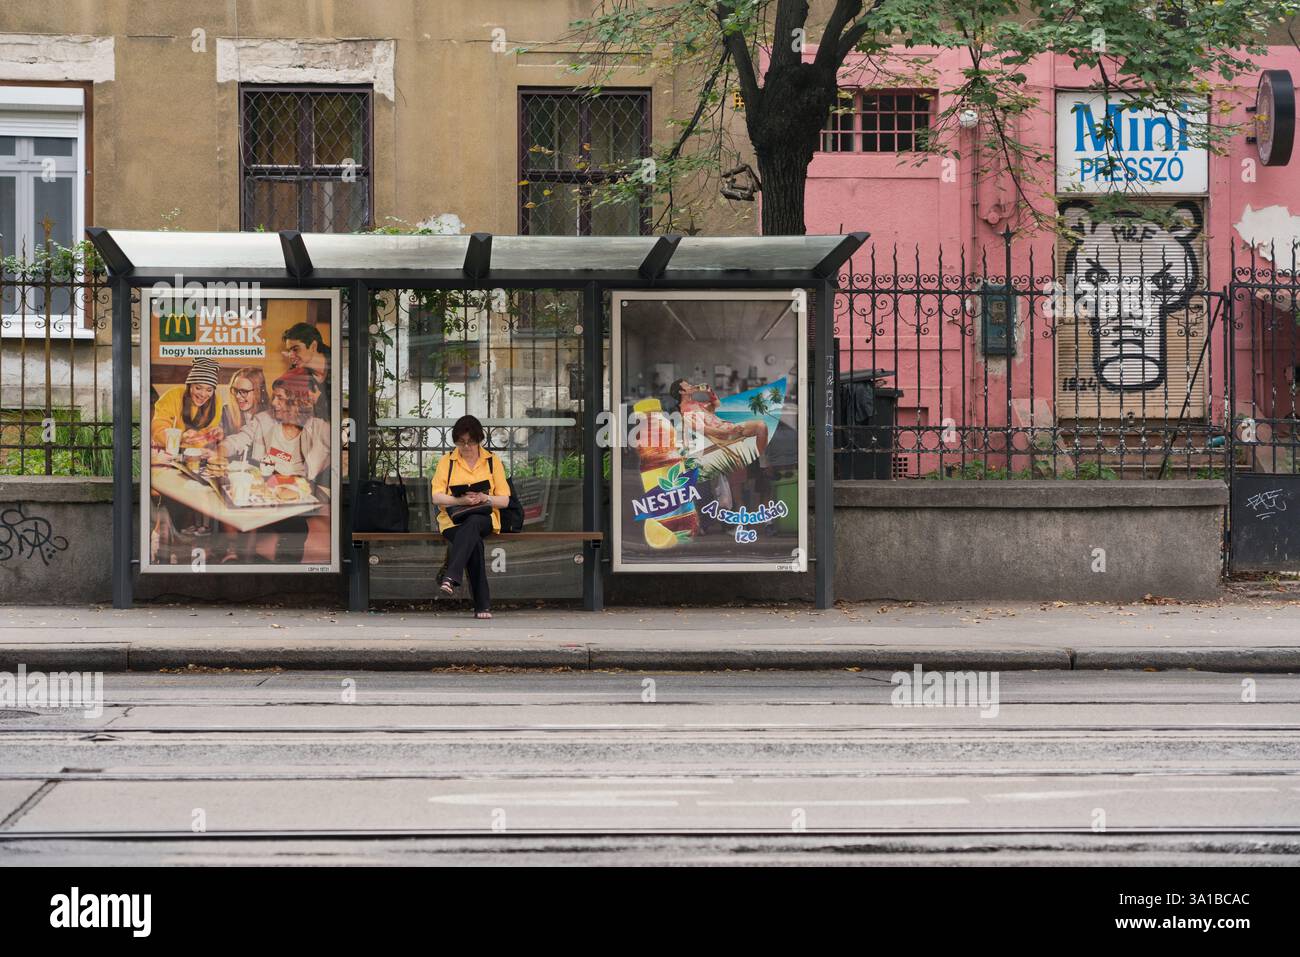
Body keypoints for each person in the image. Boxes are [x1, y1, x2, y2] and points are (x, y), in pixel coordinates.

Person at [429, 415, 511, 620]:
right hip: (453, 520)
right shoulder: (447, 461)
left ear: (479, 439)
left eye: (470, 442)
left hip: (484, 517)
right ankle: (482, 605)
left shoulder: (492, 461)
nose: (465, 446)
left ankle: (451, 576)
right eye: (461, 442)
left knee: (474, 523)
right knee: (473, 541)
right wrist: (460, 501)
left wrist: (484, 498)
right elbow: (436, 496)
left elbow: (505, 501)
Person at [151, 356, 225, 449]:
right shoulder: (172, 396)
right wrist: (180, 437)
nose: (203, 394)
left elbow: (205, 436)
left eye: (209, 390)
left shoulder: (216, 402)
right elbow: (157, 431)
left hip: (194, 454)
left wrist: (214, 435)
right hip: (166, 451)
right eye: (198, 388)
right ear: (189, 385)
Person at [282, 322, 331, 420]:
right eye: (289, 351)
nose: (290, 356)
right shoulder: (295, 374)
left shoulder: (339, 362)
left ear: (313, 346)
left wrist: (320, 401)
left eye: (295, 349)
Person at [219, 367, 270, 461]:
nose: (238, 396)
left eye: (244, 392)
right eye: (235, 390)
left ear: (258, 391)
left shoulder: (268, 416)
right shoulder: (226, 410)